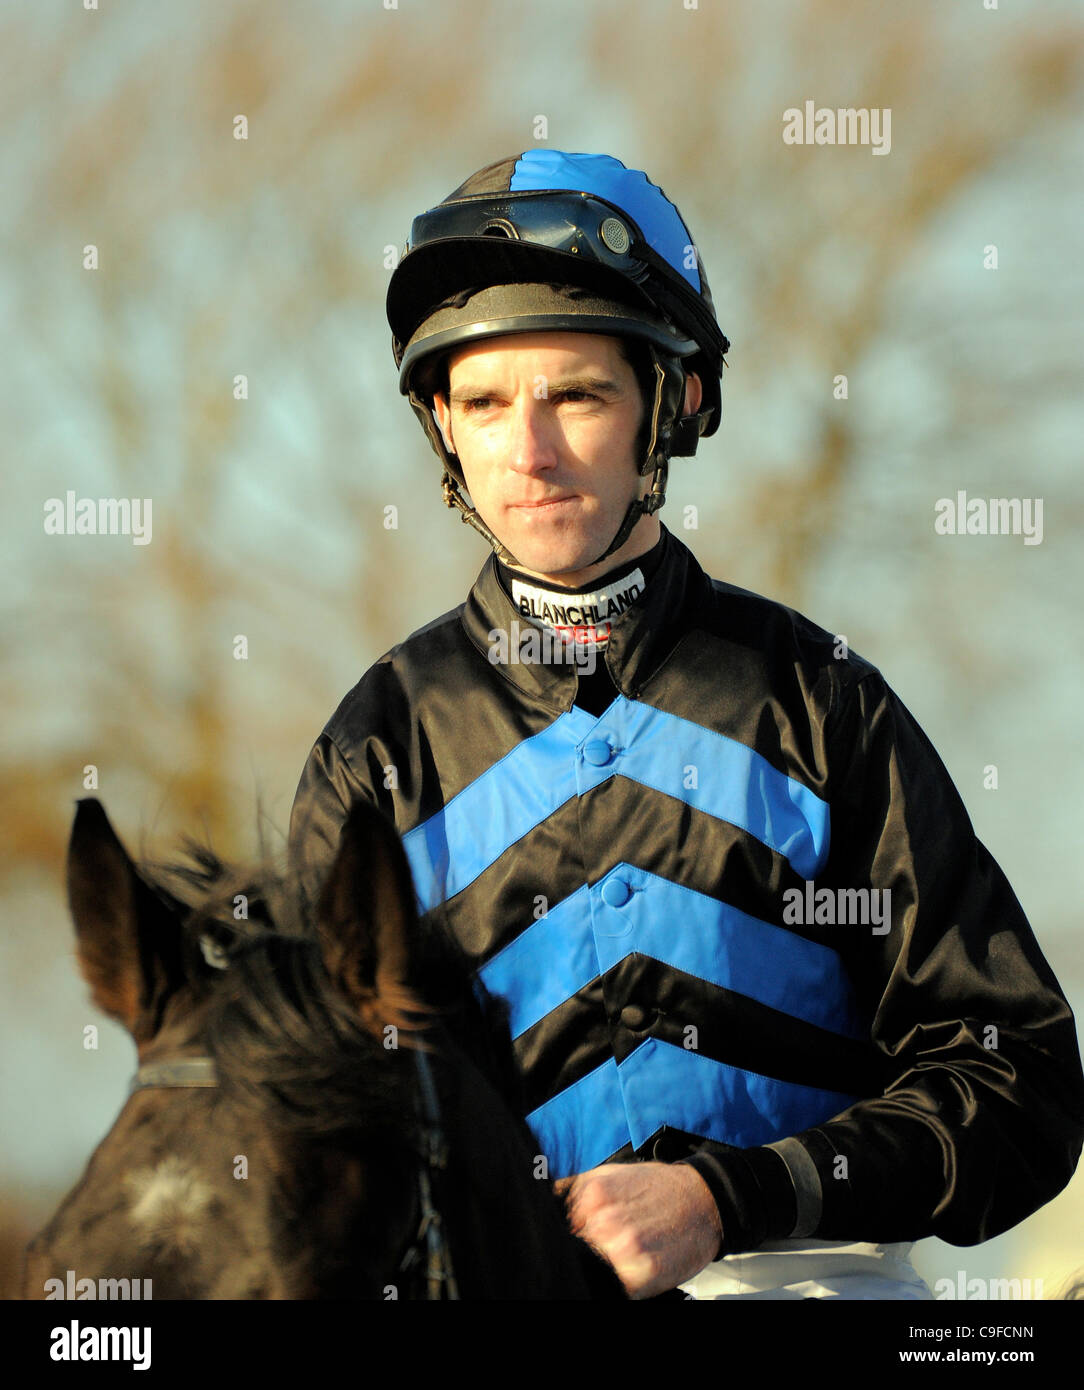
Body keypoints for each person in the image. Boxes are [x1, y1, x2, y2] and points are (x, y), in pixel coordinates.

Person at [288, 150, 1084, 1300]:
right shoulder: (376, 749)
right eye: (484, 402)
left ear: (677, 401)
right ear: (442, 428)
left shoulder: (820, 699)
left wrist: (732, 1197)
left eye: (577, 394)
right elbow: (309, 1127)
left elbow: (1020, 1084)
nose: (530, 451)